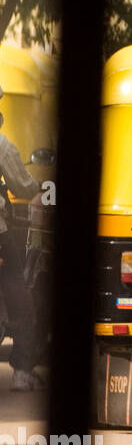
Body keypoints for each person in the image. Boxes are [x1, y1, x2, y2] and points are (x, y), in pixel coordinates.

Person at [0, 110, 43, 391]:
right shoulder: (2, 145)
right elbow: (21, 185)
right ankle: (23, 372)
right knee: (21, 301)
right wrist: (39, 187)